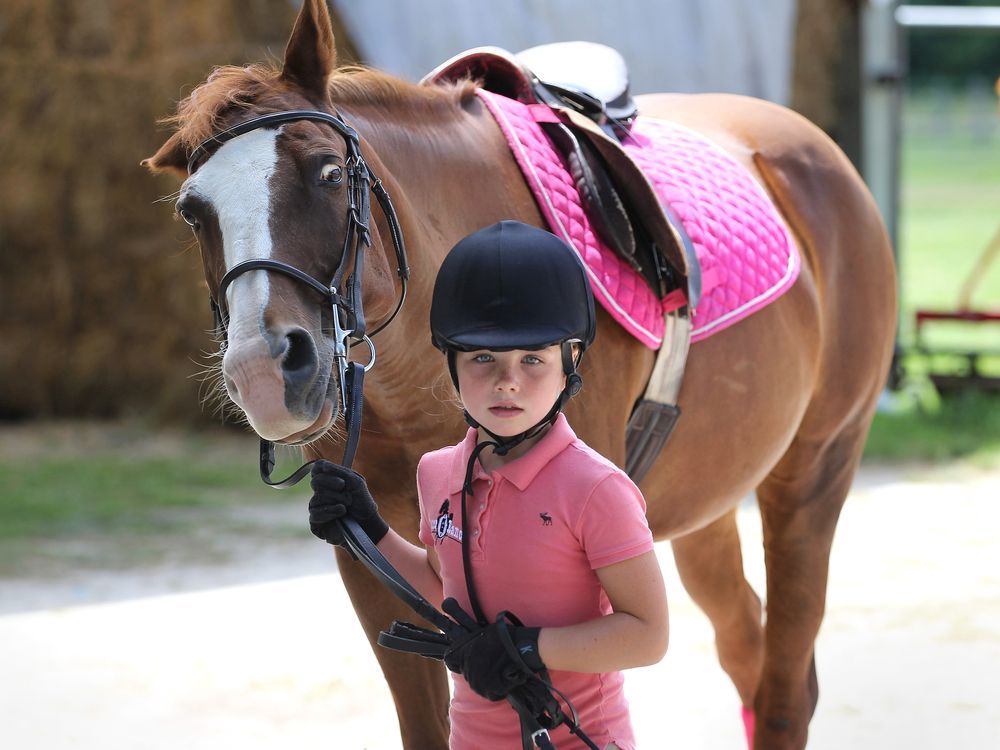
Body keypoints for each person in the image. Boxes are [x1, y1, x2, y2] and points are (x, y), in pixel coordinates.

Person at [309, 221, 668, 750]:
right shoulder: (437, 473)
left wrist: (528, 649)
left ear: (569, 363)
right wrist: (369, 532)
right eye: (482, 358)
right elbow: (446, 590)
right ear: (452, 363)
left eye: (533, 359)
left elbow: (647, 635)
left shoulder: (597, 489)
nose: (507, 381)